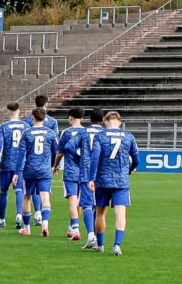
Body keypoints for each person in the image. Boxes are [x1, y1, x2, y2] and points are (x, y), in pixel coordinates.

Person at [88, 109, 140, 256]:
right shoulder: (128, 137)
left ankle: (100, 244)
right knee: (120, 214)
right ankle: (117, 245)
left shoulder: (100, 136)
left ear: (105, 122)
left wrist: (91, 178)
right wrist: (130, 169)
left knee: (99, 212)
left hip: (102, 180)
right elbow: (137, 159)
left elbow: (94, 158)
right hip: (121, 181)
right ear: (120, 122)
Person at [18, 99, 60, 237]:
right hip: (44, 169)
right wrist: (55, 165)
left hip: (30, 169)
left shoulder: (27, 133)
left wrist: (17, 171)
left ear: (33, 117)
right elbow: (55, 151)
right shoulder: (50, 133)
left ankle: (27, 228)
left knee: (27, 197)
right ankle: (45, 224)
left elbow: (21, 154)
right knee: (45, 197)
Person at [0, 101, 31, 227]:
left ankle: (2, 220)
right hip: (21, 165)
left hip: (6, 163)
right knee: (19, 190)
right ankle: (19, 215)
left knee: (3, 192)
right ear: (19, 111)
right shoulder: (26, 126)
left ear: (8, 112)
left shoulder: (4, 126)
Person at [58, 107, 95, 242]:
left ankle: (75, 227)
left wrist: (55, 165)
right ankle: (72, 226)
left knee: (72, 199)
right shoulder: (87, 132)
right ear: (83, 118)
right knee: (80, 201)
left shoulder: (66, 133)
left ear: (70, 118)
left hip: (70, 171)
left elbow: (61, 151)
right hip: (85, 171)